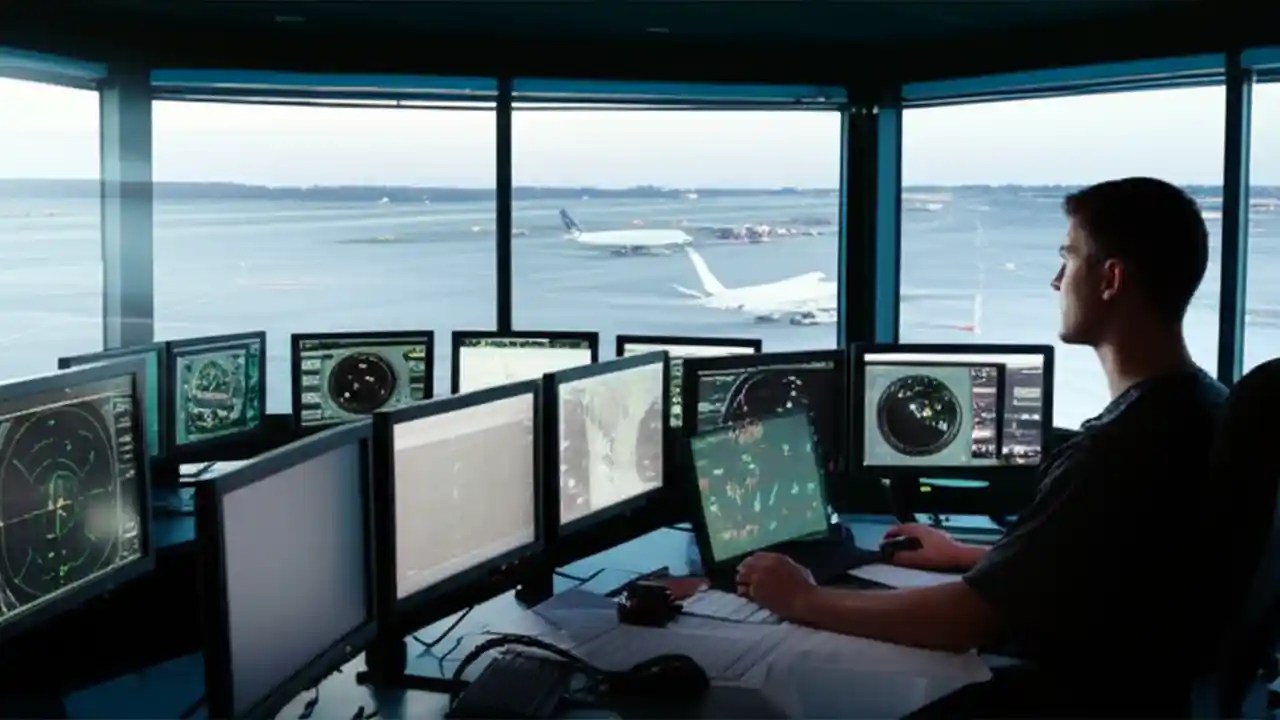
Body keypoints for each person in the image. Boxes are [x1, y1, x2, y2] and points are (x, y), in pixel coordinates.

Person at [735, 177, 1230, 716]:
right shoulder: (1204, 406)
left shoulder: (1117, 451)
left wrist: (801, 599)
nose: (1056, 280)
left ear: (1111, 278)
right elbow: (1118, 568)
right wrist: (969, 555)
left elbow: (964, 622)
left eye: (1069, 258)